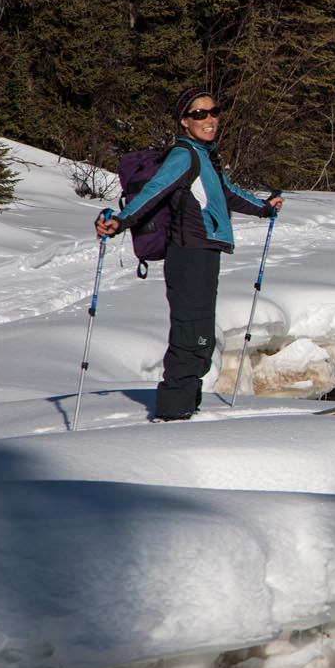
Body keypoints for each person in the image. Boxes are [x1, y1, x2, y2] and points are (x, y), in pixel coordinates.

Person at [95, 86, 283, 421]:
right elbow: (153, 191)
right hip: (188, 254)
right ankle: (173, 414)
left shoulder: (204, 156)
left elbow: (226, 192)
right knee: (190, 335)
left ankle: (187, 409)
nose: (210, 119)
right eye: (200, 114)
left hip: (205, 251)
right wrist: (120, 221)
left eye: (214, 111)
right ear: (185, 121)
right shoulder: (184, 155)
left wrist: (264, 208)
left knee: (201, 336)